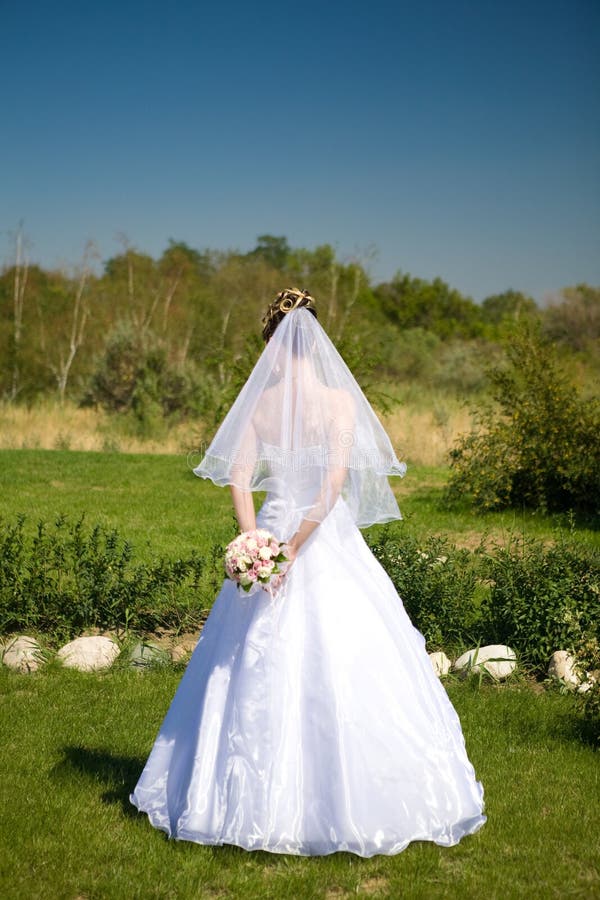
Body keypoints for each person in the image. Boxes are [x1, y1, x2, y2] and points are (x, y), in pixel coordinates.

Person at [130, 288, 487, 857]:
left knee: (251, 656)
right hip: (318, 536)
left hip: (275, 530)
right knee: (344, 655)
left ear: (274, 339)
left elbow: (240, 478)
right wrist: (290, 547)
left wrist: (257, 539)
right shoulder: (338, 401)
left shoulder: (261, 402)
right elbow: (332, 487)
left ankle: (241, 798)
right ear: (314, 338)